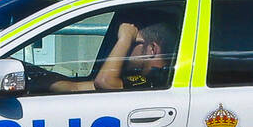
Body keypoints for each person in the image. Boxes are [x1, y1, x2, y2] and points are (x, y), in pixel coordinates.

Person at [46, 19, 176, 93]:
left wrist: (125, 38)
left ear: (152, 49)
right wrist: (39, 79)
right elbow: (75, 88)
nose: (125, 49)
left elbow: (104, 82)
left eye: (131, 43)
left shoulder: (162, 78)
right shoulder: (142, 77)